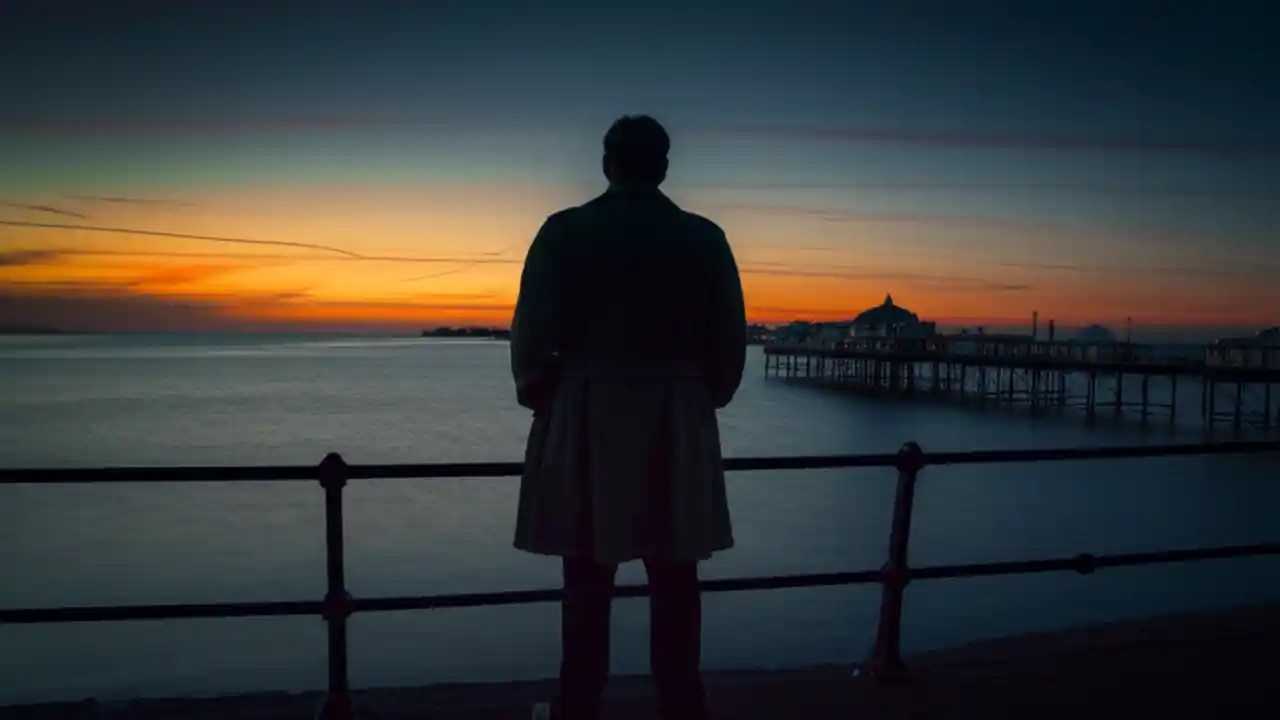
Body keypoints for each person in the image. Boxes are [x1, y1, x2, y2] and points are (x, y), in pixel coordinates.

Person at [511, 115, 747, 720]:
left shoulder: (563, 234)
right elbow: (728, 348)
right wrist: (700, 396)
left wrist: (551, 396)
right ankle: (681, 706)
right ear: (664, 166)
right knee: (676, 581)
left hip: (589, 414)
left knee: (585, 584)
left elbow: (531, 342)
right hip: (678, 415)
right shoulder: (704, 238)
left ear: (606, 162)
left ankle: (578, 705)